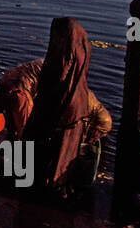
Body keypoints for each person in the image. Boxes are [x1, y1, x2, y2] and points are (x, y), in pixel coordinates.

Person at [22, 17, 95, 193]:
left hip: (62, 105)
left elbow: (58, 77)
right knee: (67, 148)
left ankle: (42, 181)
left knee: (43, 140)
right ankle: (61, 183)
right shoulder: (83, 47)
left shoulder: (63, 54)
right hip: (79, 104)